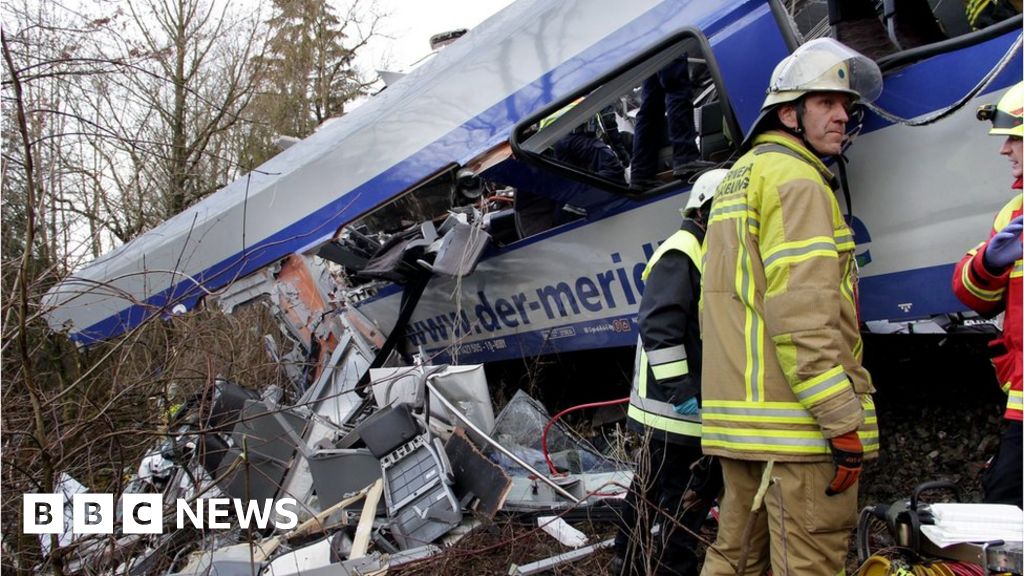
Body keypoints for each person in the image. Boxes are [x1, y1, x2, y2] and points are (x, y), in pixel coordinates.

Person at [698, 38, 882, 575]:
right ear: (788, 112)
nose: (843, 115)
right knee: (809, 563)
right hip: (797, 432)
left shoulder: (741, 177)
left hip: (743, 427)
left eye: (845, 105)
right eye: (826, 102)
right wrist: (842, 420)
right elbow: (802, 316)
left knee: (734, 558)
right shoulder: (798, 181)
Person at [611, 169, 728, 576]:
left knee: (652, 495)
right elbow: (660, 329)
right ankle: (665, 567)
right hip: (671, 411)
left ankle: (630, 562)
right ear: (704, 211)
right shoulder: (683, 251)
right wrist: (682, 392)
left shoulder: (703, 249)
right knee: (680, 497)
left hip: (673, 410)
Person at [951, 81, 1023, 508]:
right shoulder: (1013, 213)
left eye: (1015, 139)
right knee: (1005, 506)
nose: (1005, 151)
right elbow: (971, 291)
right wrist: (989, 264)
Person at [629, 55, 712, 191]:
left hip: (649, 44)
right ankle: (686, 158)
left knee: (651, 106)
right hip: (663, 38)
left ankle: (640, 174)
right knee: (677, 89)